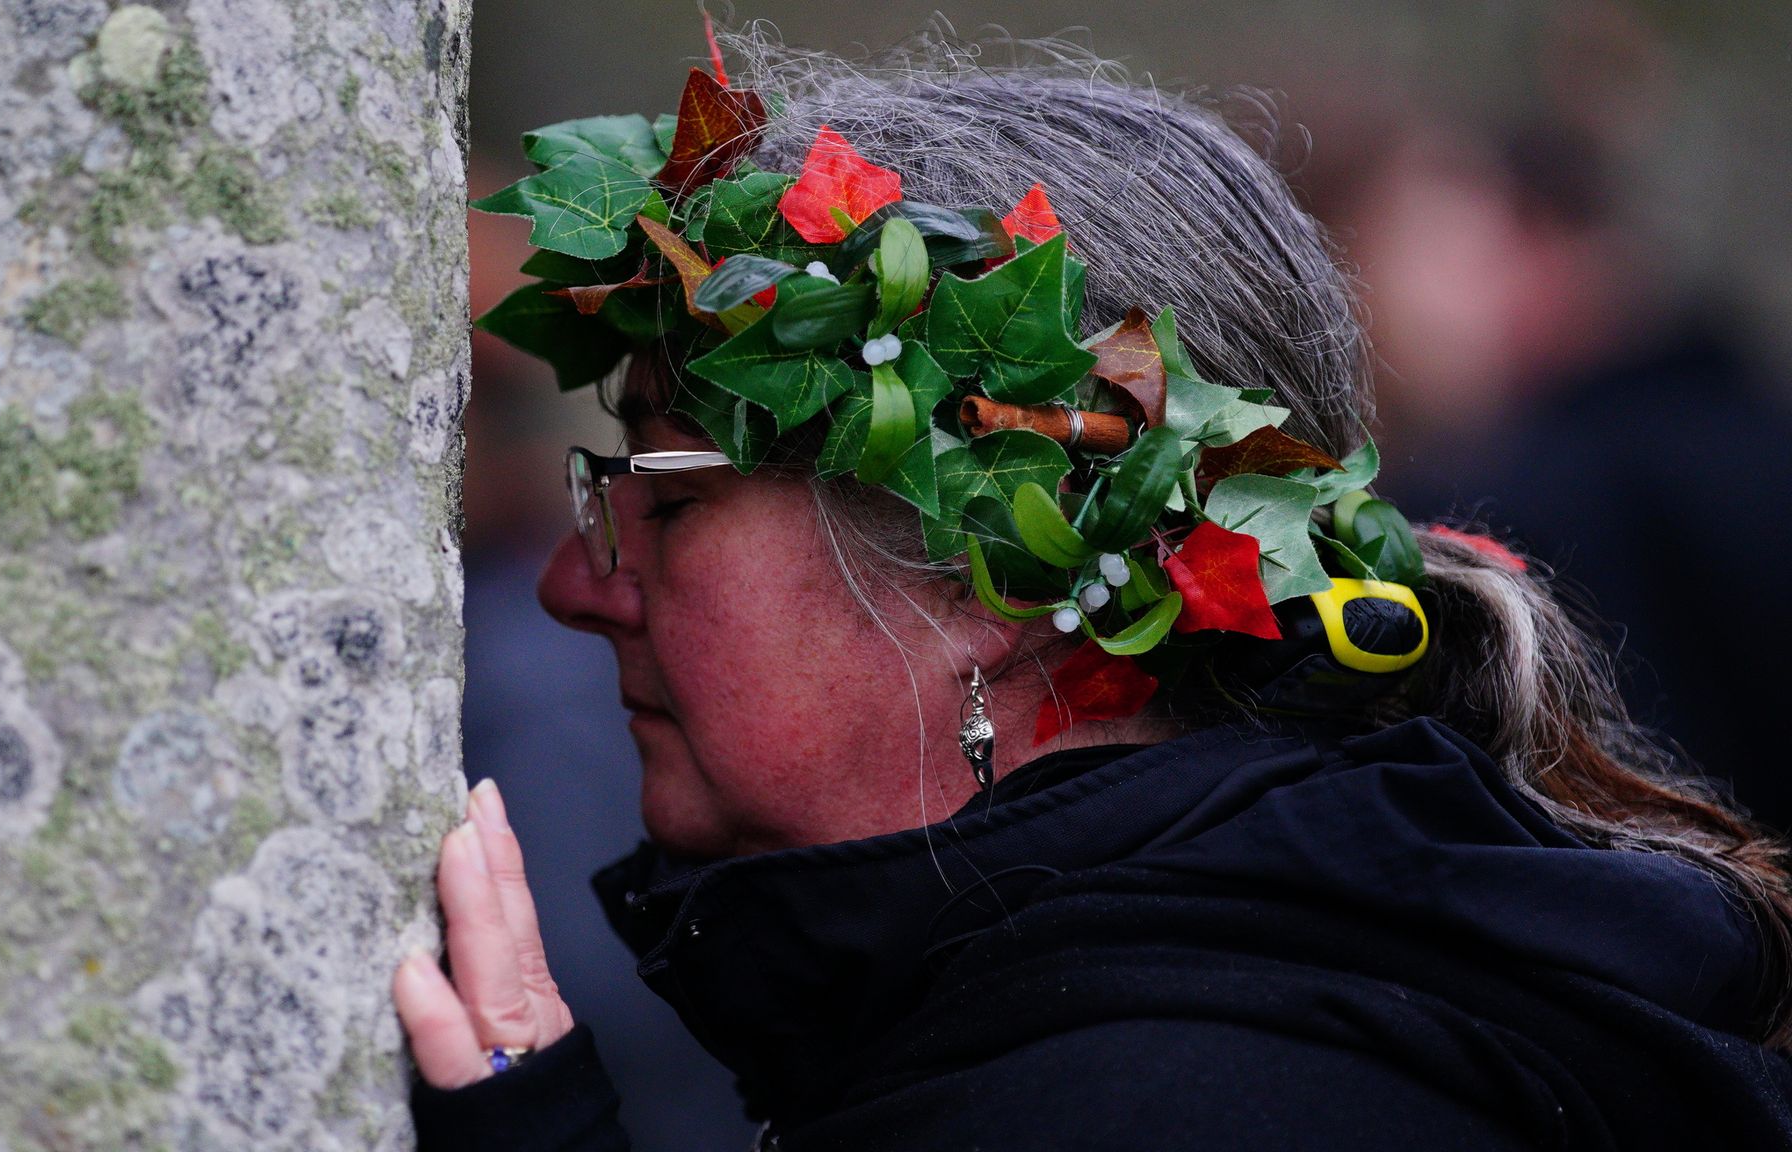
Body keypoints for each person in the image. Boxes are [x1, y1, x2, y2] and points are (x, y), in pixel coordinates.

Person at [393, 26, 1792, 1151]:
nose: (579, 585)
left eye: (673, 499)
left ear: (1002, 572)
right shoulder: (1221, 994)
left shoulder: (1182, 1098)